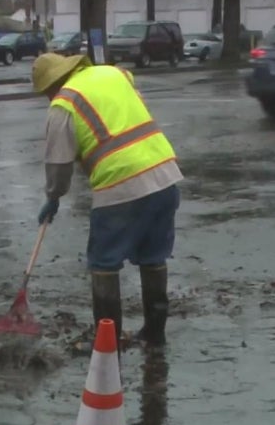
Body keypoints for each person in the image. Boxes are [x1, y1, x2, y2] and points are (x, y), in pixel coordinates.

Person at [30, 52, 183, 349]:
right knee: (153, 257)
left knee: (104, 263)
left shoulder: (64, 103)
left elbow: (58, 165)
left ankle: (108, 343)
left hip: (120, 185)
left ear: (51, 85)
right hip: (164, 174)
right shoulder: (114, 74)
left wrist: (54, 196)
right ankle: (155, 334)